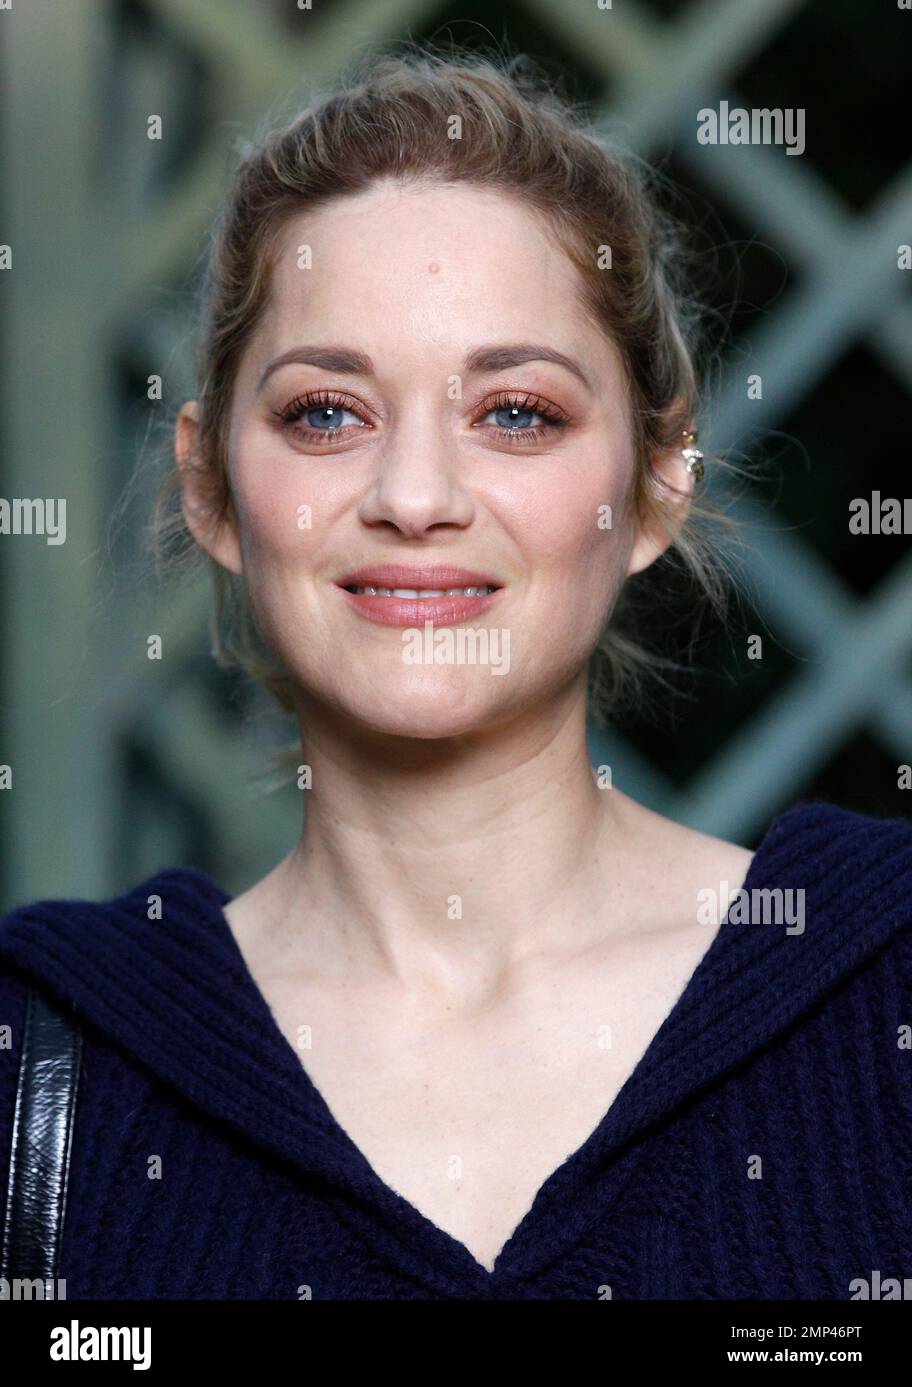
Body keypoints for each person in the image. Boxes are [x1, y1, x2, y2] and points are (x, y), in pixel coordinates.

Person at [1, 48, 910, 1302]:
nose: (414, 497)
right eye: (327, 412)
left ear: (655, 484)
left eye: (516, 413)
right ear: (211, 485)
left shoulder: (880, 979)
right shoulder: (48, 1061)